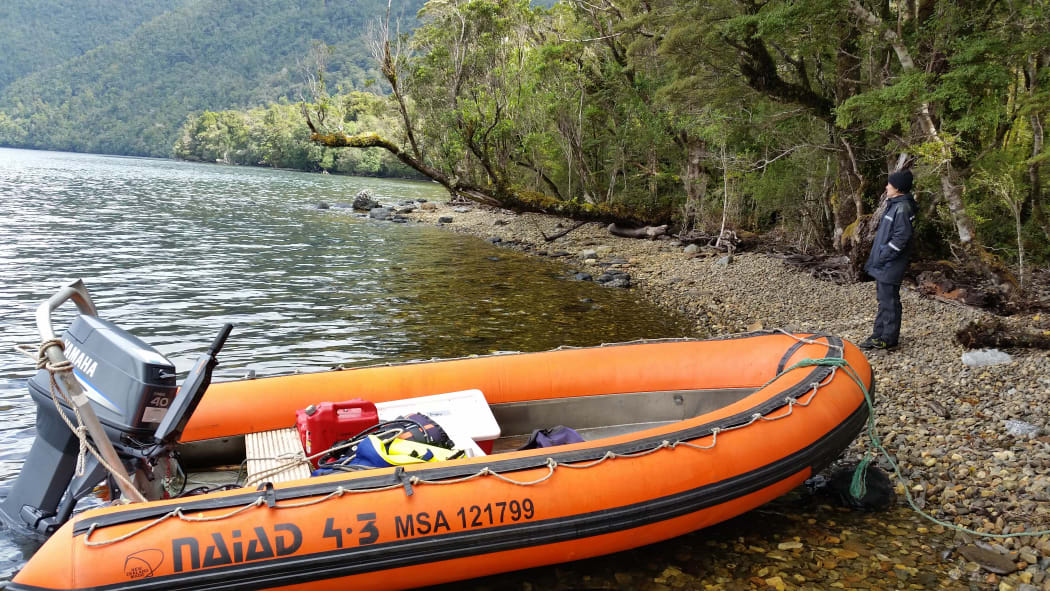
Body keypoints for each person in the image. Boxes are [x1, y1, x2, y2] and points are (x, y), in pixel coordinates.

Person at [860, 168, 917, 351]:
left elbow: (902, 237)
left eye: (889, 184)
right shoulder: (895, 204)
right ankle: (878, 334)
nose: (886, 187)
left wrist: (884, 256)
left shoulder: (902, 207)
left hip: (891, 264)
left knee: (889, 301)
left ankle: (888, 338)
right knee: (884, 299)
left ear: (898, 188)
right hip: (887, 263)